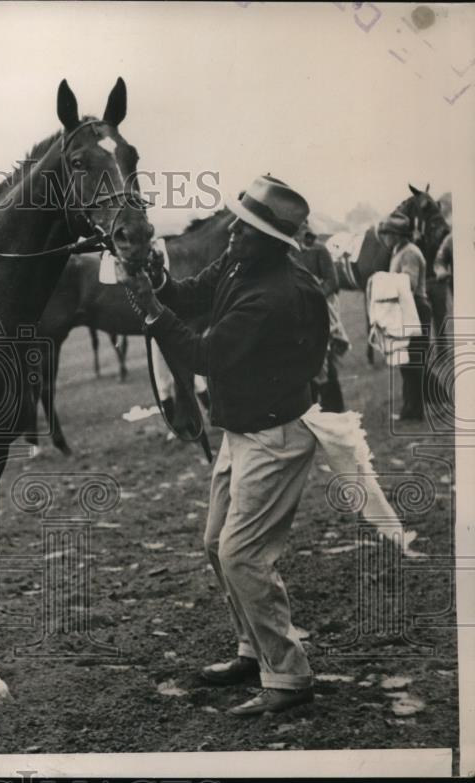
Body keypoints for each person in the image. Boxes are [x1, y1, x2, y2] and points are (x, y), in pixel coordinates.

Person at [116, 175, 329, 716]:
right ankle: (252, 650)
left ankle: (288, 675)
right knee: (217, 544)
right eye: (238, 222)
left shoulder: (275, 296)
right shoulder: (242, 262)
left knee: (242, 554)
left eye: (246, 228)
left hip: (275, 438)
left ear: (270, 242)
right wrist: (156, 278)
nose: (233, 232)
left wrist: (149, 309)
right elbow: (188, 296)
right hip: (245, 430)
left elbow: (200, 356)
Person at [377, 213, 431, 421]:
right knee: (407, 361)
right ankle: (412, 407)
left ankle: (415, 410)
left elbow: (410, 284)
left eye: (387, 234)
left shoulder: (409, 253)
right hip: (406, 310)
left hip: (415, 309)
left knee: (414, 361)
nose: (384, 239)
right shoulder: (398, 251)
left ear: (397, 235)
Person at [296, 230, 345, 412]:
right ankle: (314, 411)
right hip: (296, 318)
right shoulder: (284, 251)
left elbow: (333, 282)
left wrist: (313, 297)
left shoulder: (319, 250)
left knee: (325, 363)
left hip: (319, 314)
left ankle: (335, 410)